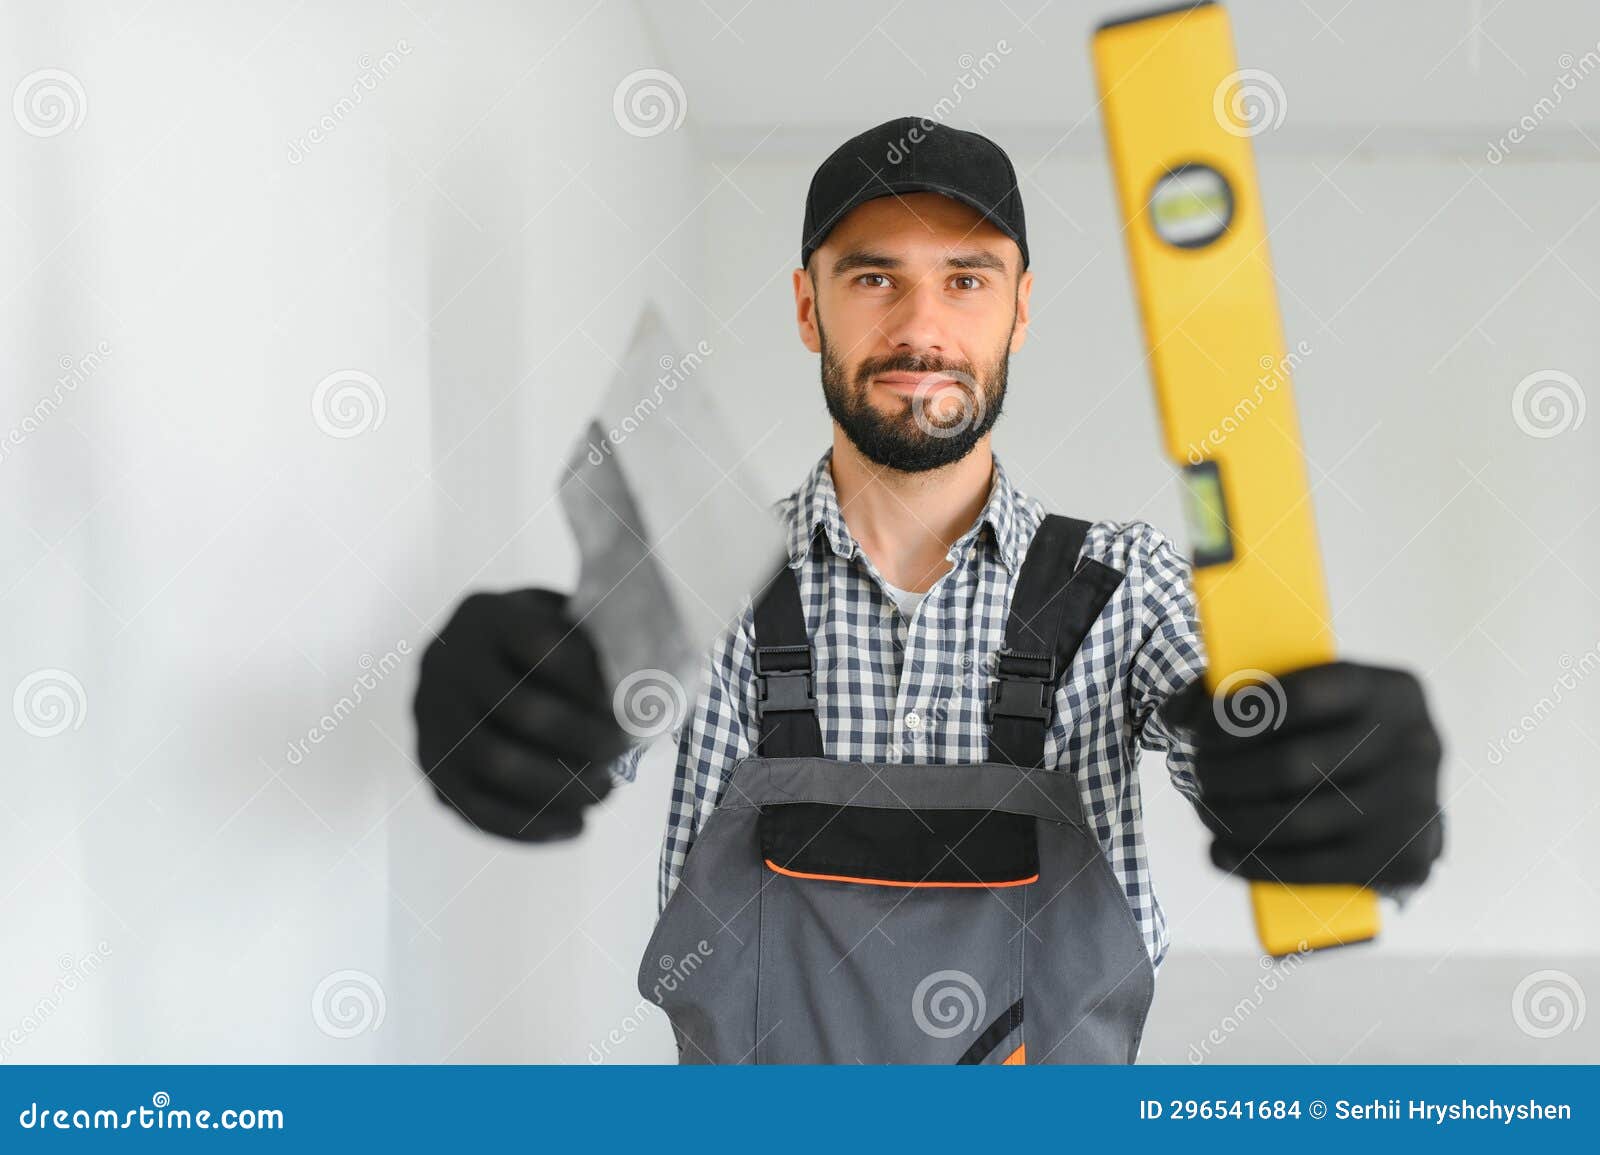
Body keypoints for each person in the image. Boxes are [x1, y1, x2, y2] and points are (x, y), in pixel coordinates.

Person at [412, 117, 1444, 1064]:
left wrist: (1331, 786)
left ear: (1020, 309)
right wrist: (512, 724)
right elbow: (583, 729)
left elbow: (1231, 719)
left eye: (966, 278)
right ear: (808, 306)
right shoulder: (704, 577)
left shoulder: (1124, 589)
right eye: (872, 279)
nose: (920, 327)